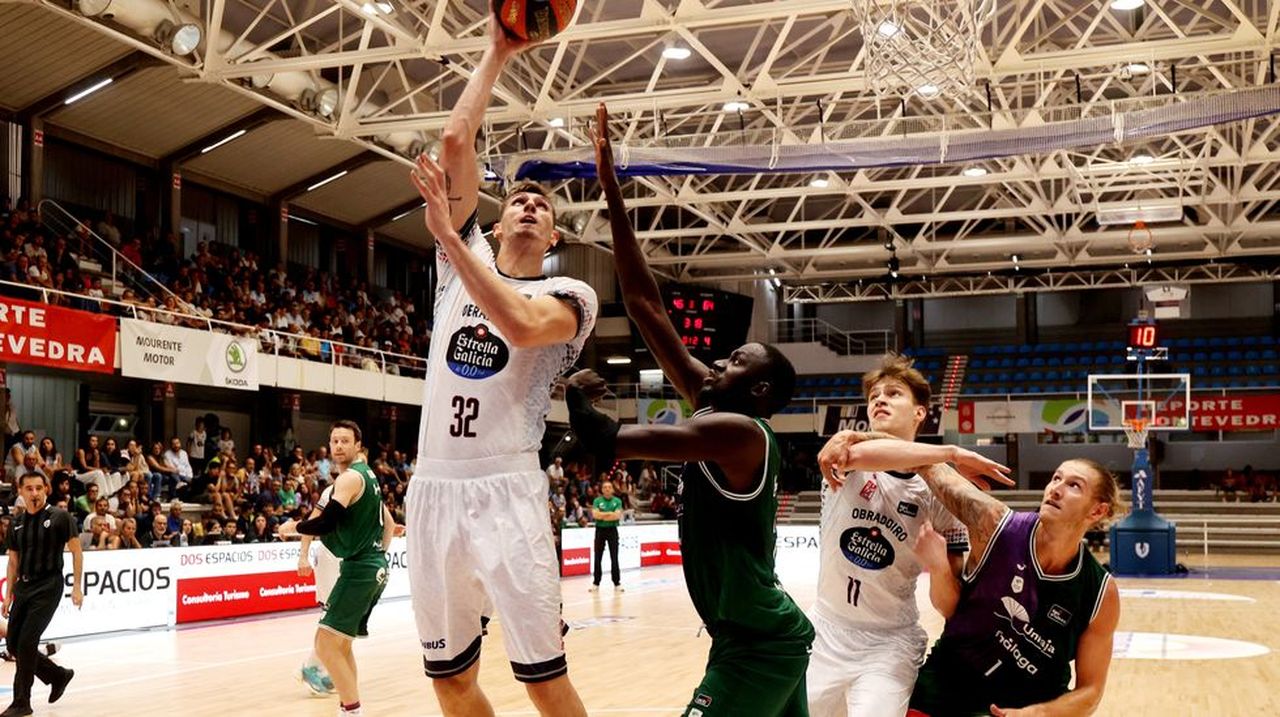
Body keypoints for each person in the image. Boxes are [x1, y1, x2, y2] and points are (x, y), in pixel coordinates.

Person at [564, 103, 813, 717]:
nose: (719, 362)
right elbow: (646, 305)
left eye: (736, 361)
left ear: (759, 390)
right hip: (752, 635)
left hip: (758, 645)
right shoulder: (716, 405)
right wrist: (611, 190)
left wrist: (574, 397)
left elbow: (611, 438)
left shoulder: (740, 432)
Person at [402, 17, 596, 716]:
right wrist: (496, 50)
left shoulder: (570, 294)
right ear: (498, 217)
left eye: (541, 206)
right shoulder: (461, 260)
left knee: (542, 679)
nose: (528, 206)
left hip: (508, 492)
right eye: (518, 199)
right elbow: (456, 142)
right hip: (433, 487)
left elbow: (518, 324)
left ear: (554, 235)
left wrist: (450, 241)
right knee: (450, 680)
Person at [818, 441, 1121, 716]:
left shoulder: (1100, 593)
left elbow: (1091, 692)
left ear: (1097, 510)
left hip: (1030, 704)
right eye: (1056, 478)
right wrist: (850, 437)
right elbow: (921, 460)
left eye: (1074, 485)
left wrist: (1039, 713)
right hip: (949, 685)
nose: (1055, 489)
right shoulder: (994, 525)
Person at [806, 354, 1011, 717]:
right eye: (874, 396)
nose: (879, 400)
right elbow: (866, 452)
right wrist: (952, 453)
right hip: (826, 632)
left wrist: (940, 567)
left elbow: (949, 606)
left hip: (888, 643)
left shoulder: (940, 492)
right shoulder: (847, 456)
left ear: (920, 413)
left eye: (893, 393)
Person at [278, 421, 395, 717]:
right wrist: (378, 555)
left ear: (358, 445)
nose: (339, 446)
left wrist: (292, 527)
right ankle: (350, 705)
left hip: (359, 568)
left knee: (327, 643)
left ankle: (351, 710)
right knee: (341, 645)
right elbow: (390, 525)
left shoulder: (349, 479)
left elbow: (324, 522)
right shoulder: (368, 477)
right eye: (334, 441)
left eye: (345, 441)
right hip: (371, 566)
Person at [2, 473, 81, 717]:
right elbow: (13, 562)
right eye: (29, 488)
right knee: (13, 643)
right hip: (23, 587)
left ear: (46, 489)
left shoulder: (60, 517)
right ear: (20, 491)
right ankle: (57, 675)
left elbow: (77, 552)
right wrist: (8, 594)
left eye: (39, 488)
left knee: (26, 642)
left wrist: (77, 586)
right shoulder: (16, 522)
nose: (34, 493)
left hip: (48, 585)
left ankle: (21, 702)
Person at [589, 480, 624, 593]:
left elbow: (617, 516)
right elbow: (595, 515)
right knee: (598, 557)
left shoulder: (617, 501)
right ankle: (596, 582)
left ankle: (617, 583)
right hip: (600, 530)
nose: (607, 489)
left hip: (612, 530)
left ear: (612, 489)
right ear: (602, 490)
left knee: (614, 557)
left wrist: (602, 515)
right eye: (605, 487)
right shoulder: (597, 501)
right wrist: (609, 514)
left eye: (609, 487)